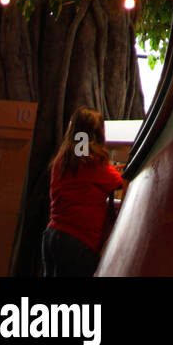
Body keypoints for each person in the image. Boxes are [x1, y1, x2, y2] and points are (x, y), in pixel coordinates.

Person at [41, 107, 126, 277]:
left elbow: (82, 178)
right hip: (78, 242)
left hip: (52, 236)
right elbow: (120, 183)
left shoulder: (63, 159)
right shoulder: (93, 162)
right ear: (98, 133)